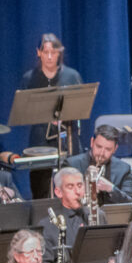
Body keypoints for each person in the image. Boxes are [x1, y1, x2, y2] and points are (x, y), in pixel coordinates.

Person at [18, 33, 83, 192]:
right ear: (38, 52)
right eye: (45, 52)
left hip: (67, 136)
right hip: (40, 139)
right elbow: (24, 111)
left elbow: (81, 107)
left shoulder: (71, 76)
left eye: (53, 53)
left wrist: (68, 114)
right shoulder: (29, 78)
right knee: (41, 184)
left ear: (59, 53)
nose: (49, 57)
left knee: (70, 179)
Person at [39, 167, 100, 263]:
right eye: (70, 187)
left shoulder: (98, 215)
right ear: (58, 192)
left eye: (80, 185)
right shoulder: (47, 225)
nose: (77, 192)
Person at [69, 124, 132, 204]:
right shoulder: (72, 164)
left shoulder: (124, 169)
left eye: (108, 149)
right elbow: (65, 200)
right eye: (98, 147)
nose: (101, 153)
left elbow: (130, 202)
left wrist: (111, 189)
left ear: (115, 149)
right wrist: (85, 184)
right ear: (92, 142)